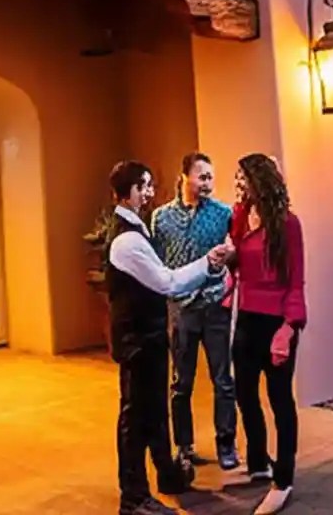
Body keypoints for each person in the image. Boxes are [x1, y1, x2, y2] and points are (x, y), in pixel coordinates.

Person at [105, 160, 232, 515]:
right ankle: (133, 498)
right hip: (137, 342)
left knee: (155, 411)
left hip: (149, 338)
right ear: (127, 191)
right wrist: (207, 263)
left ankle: (168, 475)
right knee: (135, 418)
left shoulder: (137, 228)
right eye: (143, 186)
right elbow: (168, 282)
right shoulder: (127, 240)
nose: (149, 192)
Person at [224, 153, 307, 515]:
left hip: (276, 321)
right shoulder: (240, 217)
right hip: (246, 318)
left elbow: (296, 280)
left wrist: (289, 328)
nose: (238, 183)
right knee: (244, 393)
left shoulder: (288, 224)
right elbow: (238, 265)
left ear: (259, 181)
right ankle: (259, 459)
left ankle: (283, 479)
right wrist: (226, 259)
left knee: (280, 401)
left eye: (242, 177)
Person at [149, 152, 239, 471]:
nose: (207, 183)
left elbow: (236, 255)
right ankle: (184, 447)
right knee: (181, 383)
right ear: (184, 177)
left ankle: (226, 444)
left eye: (210, 177)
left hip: (214, 306)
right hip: (181, 311)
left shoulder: (223, 213)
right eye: (202, 176)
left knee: (223, 380)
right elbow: (157, 264)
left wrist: (229, 259)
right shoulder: (161, 218)